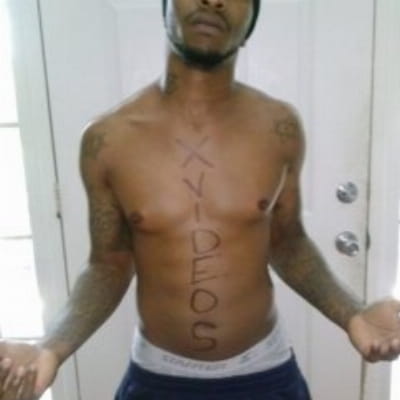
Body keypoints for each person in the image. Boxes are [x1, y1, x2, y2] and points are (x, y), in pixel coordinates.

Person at [1, 0, 400, 399]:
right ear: (165, 7)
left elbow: (287, 241)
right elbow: (108, 265)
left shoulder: (280, 128)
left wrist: (353, 314)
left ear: (251, 23)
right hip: (158, 380)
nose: (213, 1)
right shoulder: (107, 141)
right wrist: (51, 348)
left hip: (264, 374)